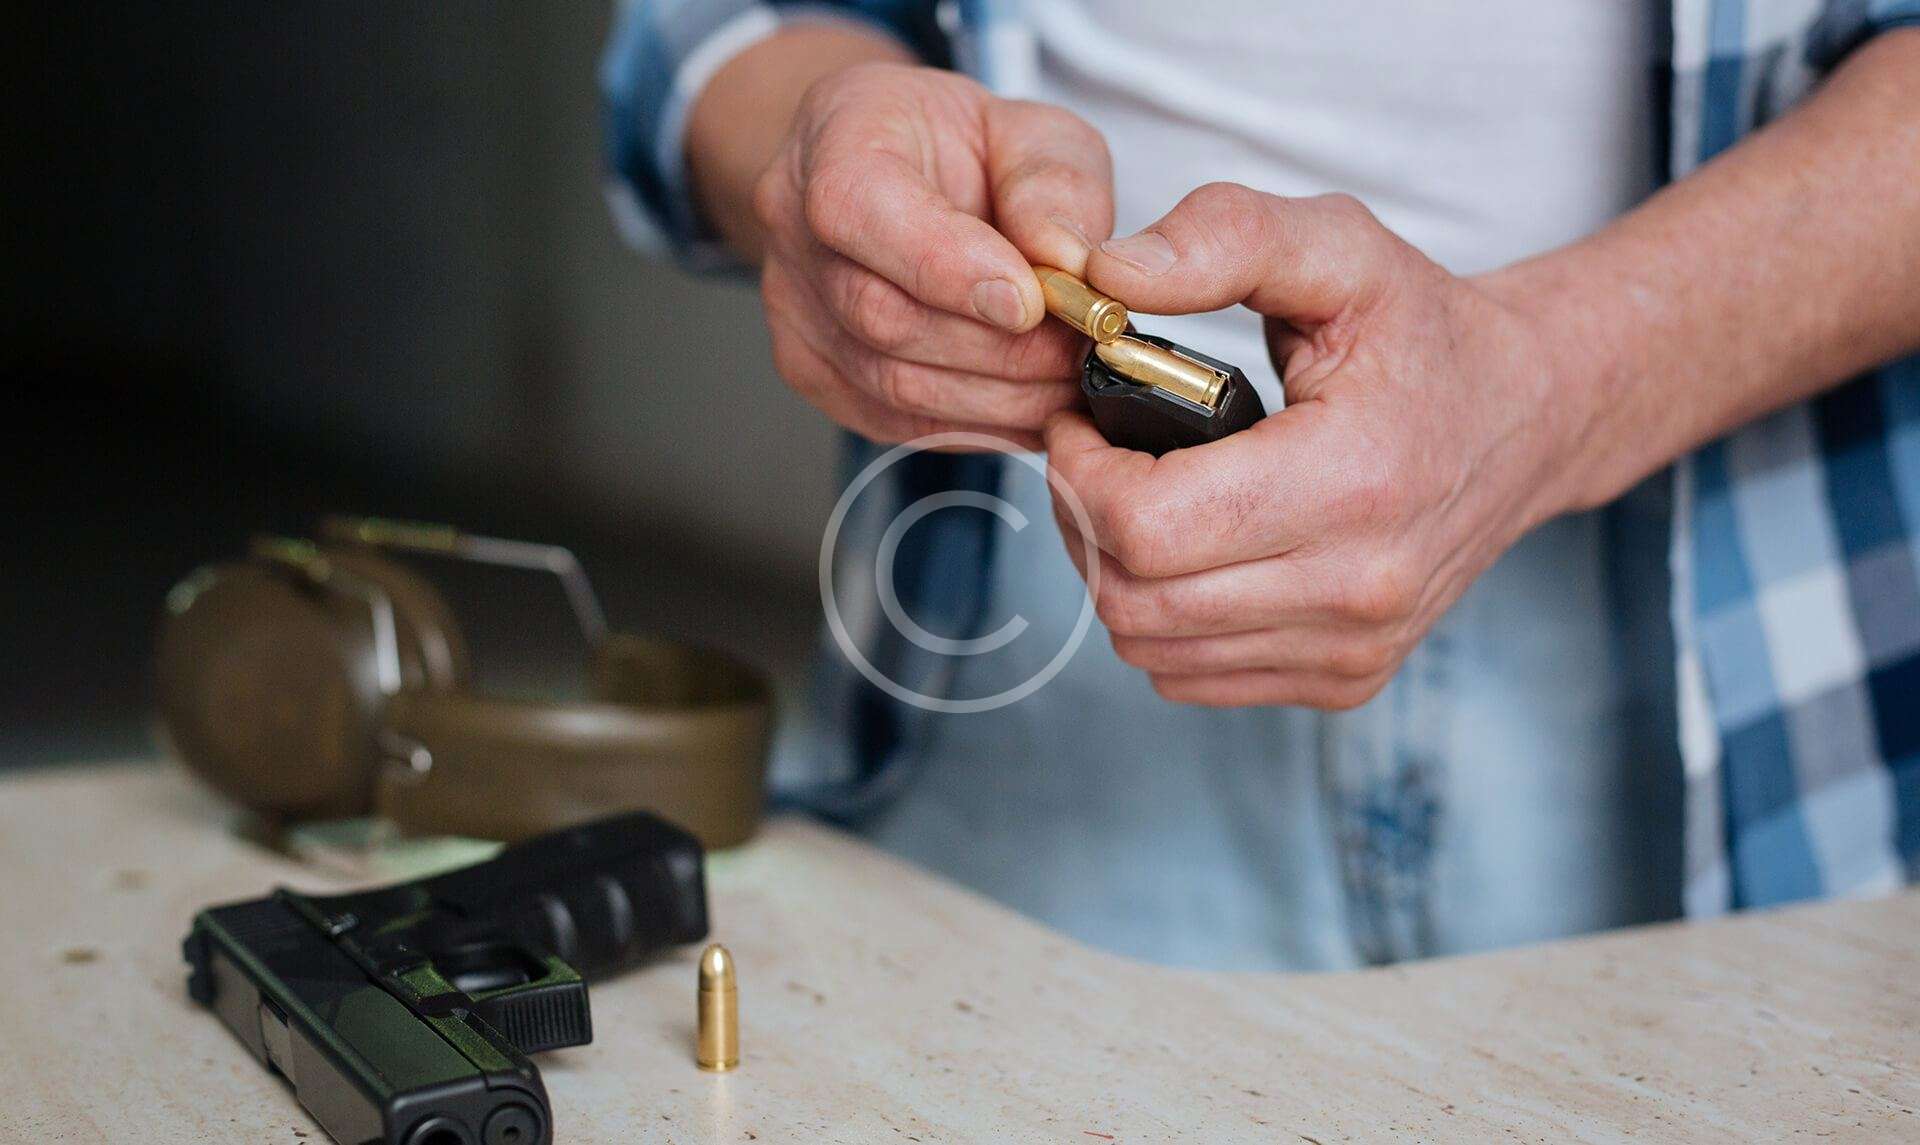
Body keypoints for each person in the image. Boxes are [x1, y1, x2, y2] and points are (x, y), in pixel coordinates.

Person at [602, 1, 1920, 969]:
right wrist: (814, 141)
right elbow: (715, 31)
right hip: (1031, 608)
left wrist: (1552, 378)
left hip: (1736, 669)